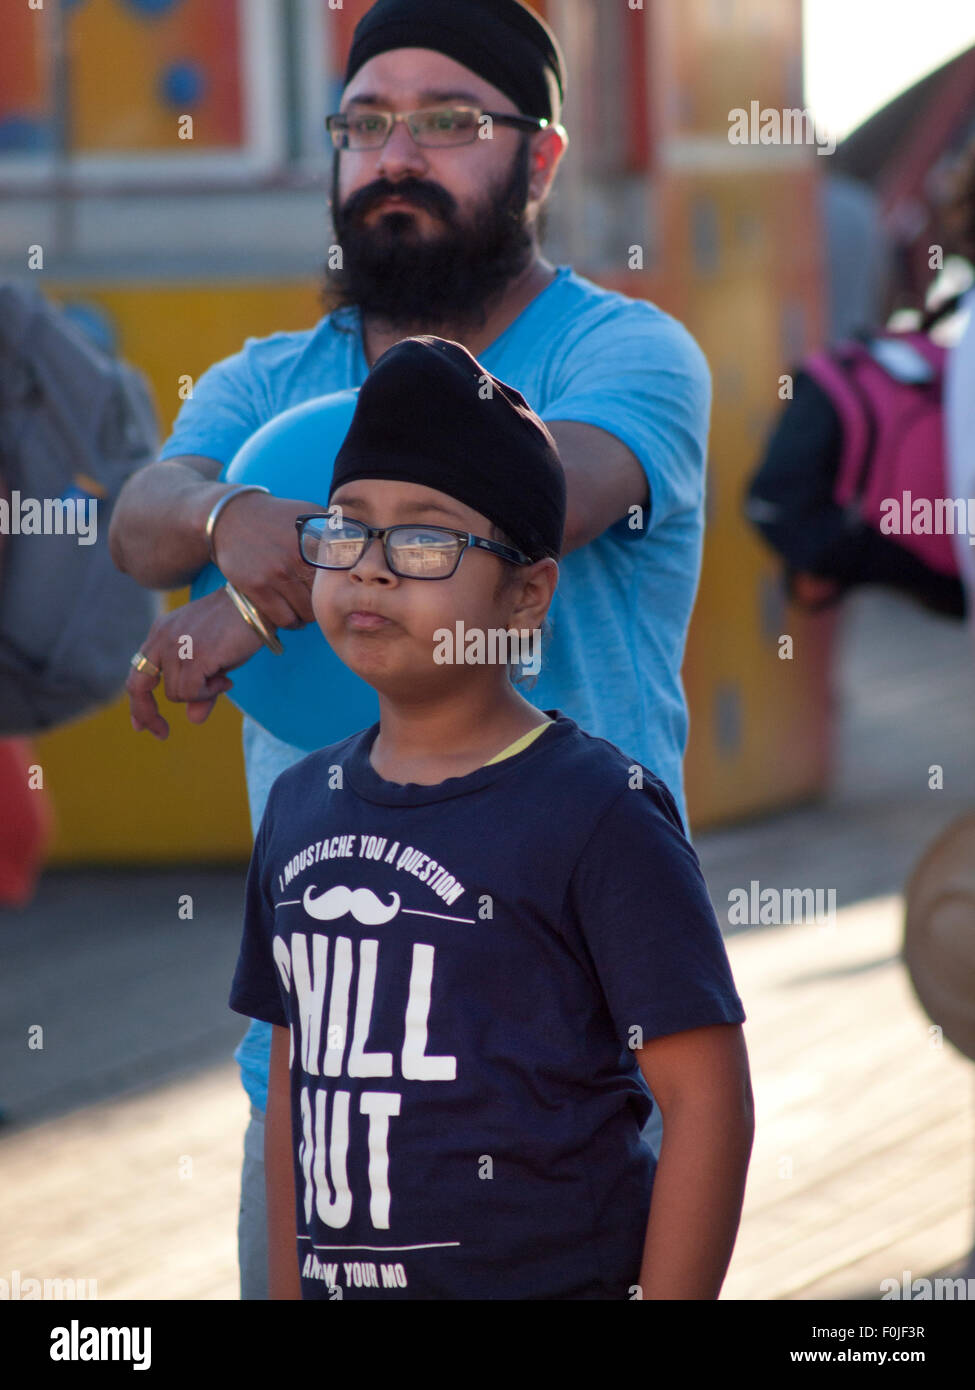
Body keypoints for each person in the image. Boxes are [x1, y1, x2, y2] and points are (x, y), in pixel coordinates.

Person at [110, 0, 713, 1297]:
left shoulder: (622, 352)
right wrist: (226, 517)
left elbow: (551, 488)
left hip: (573, 1055)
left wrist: (273, 585)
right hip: (330, 1069)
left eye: (447, 123)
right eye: (365, 123)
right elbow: (140, 519)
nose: (396, 155)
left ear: (537, 160)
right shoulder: (266, 377)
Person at [229, 335, 752, 1300]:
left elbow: (706, 1100)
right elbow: (294, 1098)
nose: (373, 568)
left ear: (524, 595)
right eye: (345, 529)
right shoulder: (302, 807)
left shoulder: (597, 812)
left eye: (426, 540)